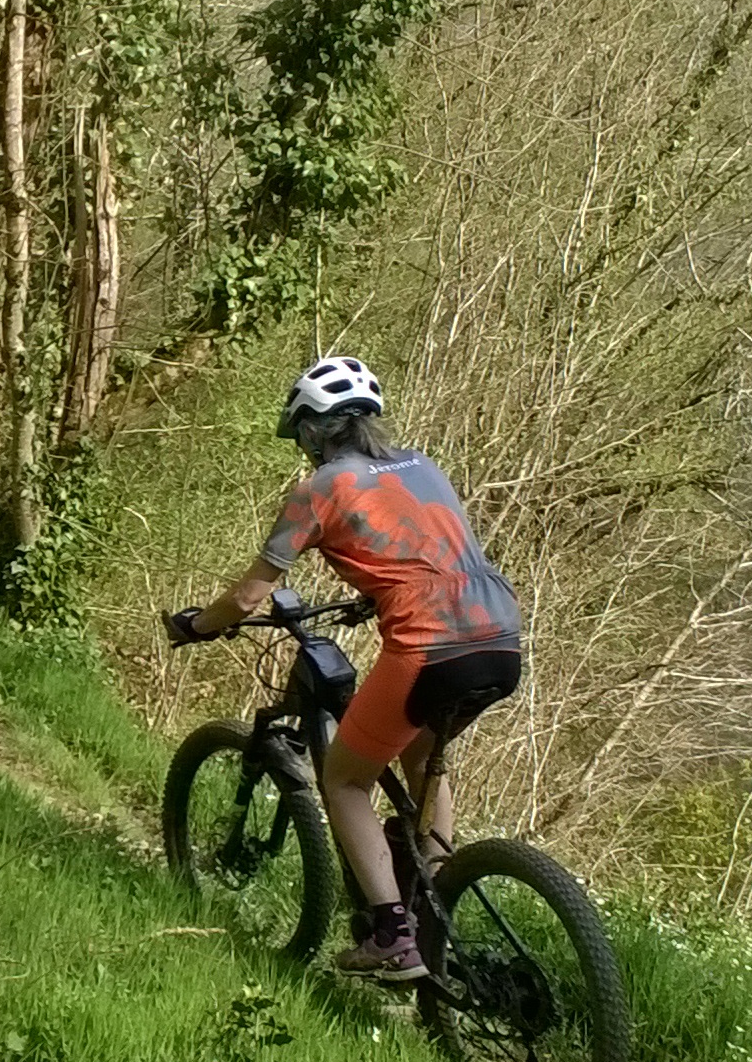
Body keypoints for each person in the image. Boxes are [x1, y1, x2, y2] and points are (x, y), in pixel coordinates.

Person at [164, 356, 522, 982]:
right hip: (500, 638)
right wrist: (372, 594)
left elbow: (248, 598)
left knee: (345, 779)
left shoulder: (320, 488)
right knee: (421, 756)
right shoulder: (424, 466)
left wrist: (197, 626)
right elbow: (427, 554)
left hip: (428, 648)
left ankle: (391, 934)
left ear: (311, 430)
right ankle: (438, 898)